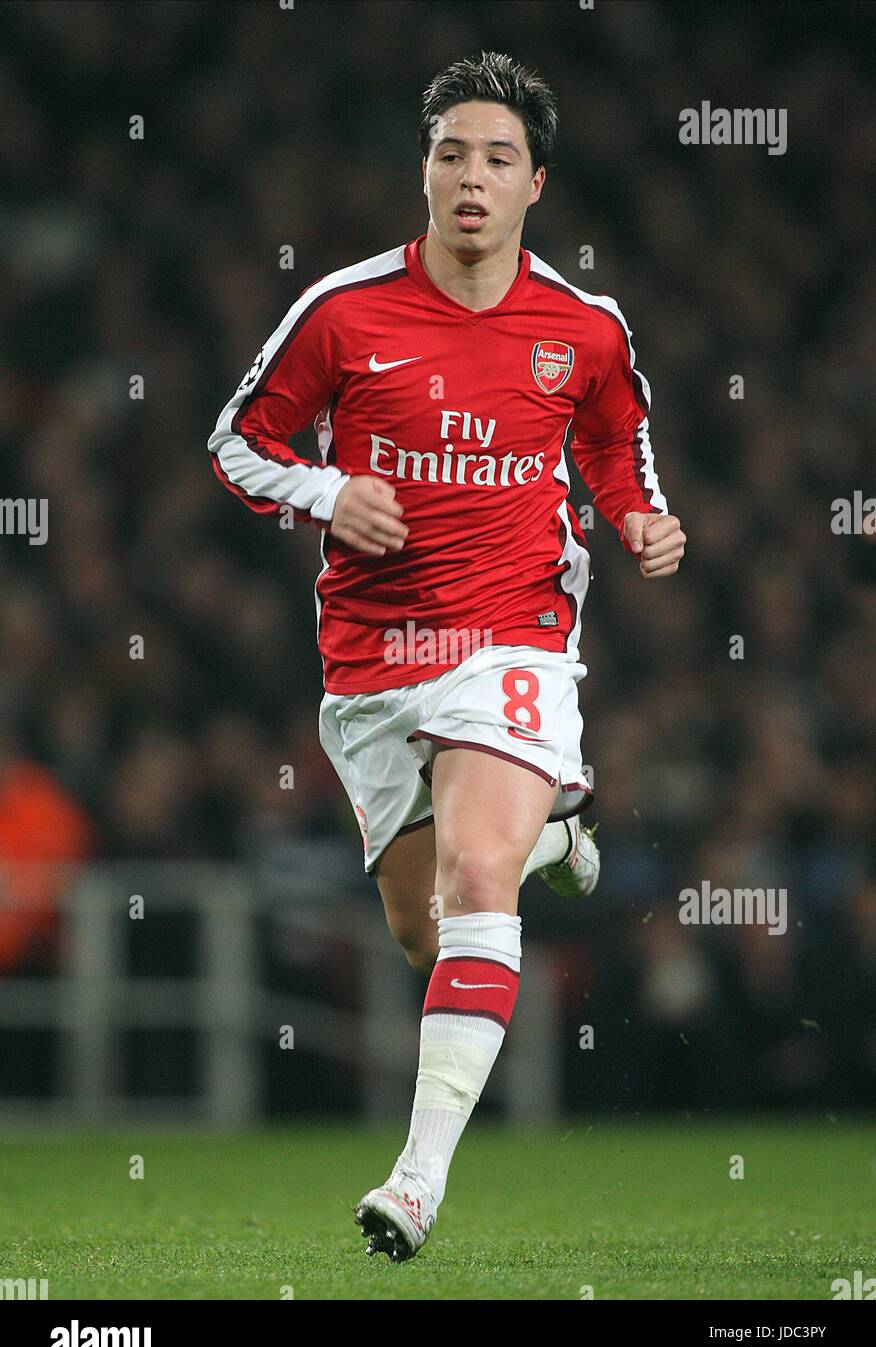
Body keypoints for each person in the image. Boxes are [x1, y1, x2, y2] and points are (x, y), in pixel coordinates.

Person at [208, 50, 685, 1262]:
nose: (471, 178)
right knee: (430, 933)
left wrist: (638, 518)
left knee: (479, 875)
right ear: (423, 171)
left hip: (512, 633)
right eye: (451, 153)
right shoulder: (342, 310)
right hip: (372, 661)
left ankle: (414, 1184)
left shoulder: (582, 327)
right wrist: (324, 489)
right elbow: (233, 442)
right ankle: (562, 839)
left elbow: (617, 448)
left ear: (538, 187)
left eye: (498, 159)